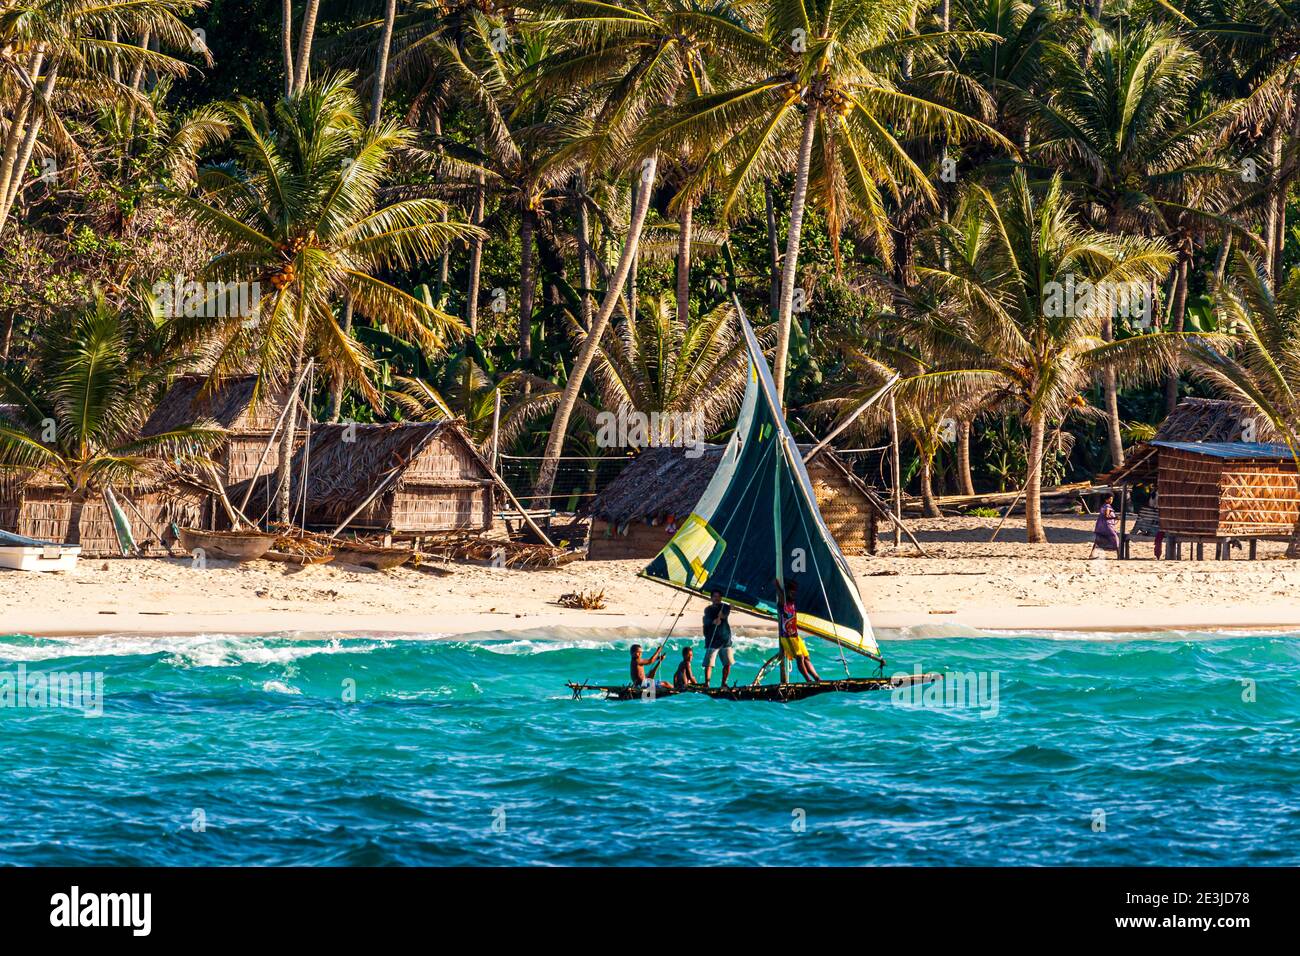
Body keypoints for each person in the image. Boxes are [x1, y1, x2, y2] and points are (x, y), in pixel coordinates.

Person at [775, 578, 820, 683]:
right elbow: (780, 594)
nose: (794, 594)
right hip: (788, 637)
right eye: (792, 592)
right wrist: (777, 585)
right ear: (787, 592)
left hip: (796, 636)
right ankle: (808, 680)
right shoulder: (783, 604)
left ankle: (817, 679)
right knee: (800, 659)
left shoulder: (792, 603)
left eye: (795, 592)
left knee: (806, 658)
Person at [701, 589, 733, 687]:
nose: (717, 598)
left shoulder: (725, 607)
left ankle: (724, 683)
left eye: (718, 596)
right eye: (715, 596)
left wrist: (721, 616)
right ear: (711, 598)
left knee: (727, 663)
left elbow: (724, 614)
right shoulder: (708, 609)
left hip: (725, 640)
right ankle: (707, 683)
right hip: (712, 640)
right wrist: (713, 621)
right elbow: (707, 620)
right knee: (709, 664)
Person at [1090, 493, 1120, 558]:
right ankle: (1119, 555)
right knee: (1115, 538)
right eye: (1110, 499)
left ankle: (1091, 555)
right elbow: (1106, 516)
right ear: (1106, 499)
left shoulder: (1103, 506)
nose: (1111, 500)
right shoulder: (1108, 507)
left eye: (1112, 499)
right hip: (1107, 526)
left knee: (1097, 540)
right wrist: (1115, 518)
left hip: (1100, 526)